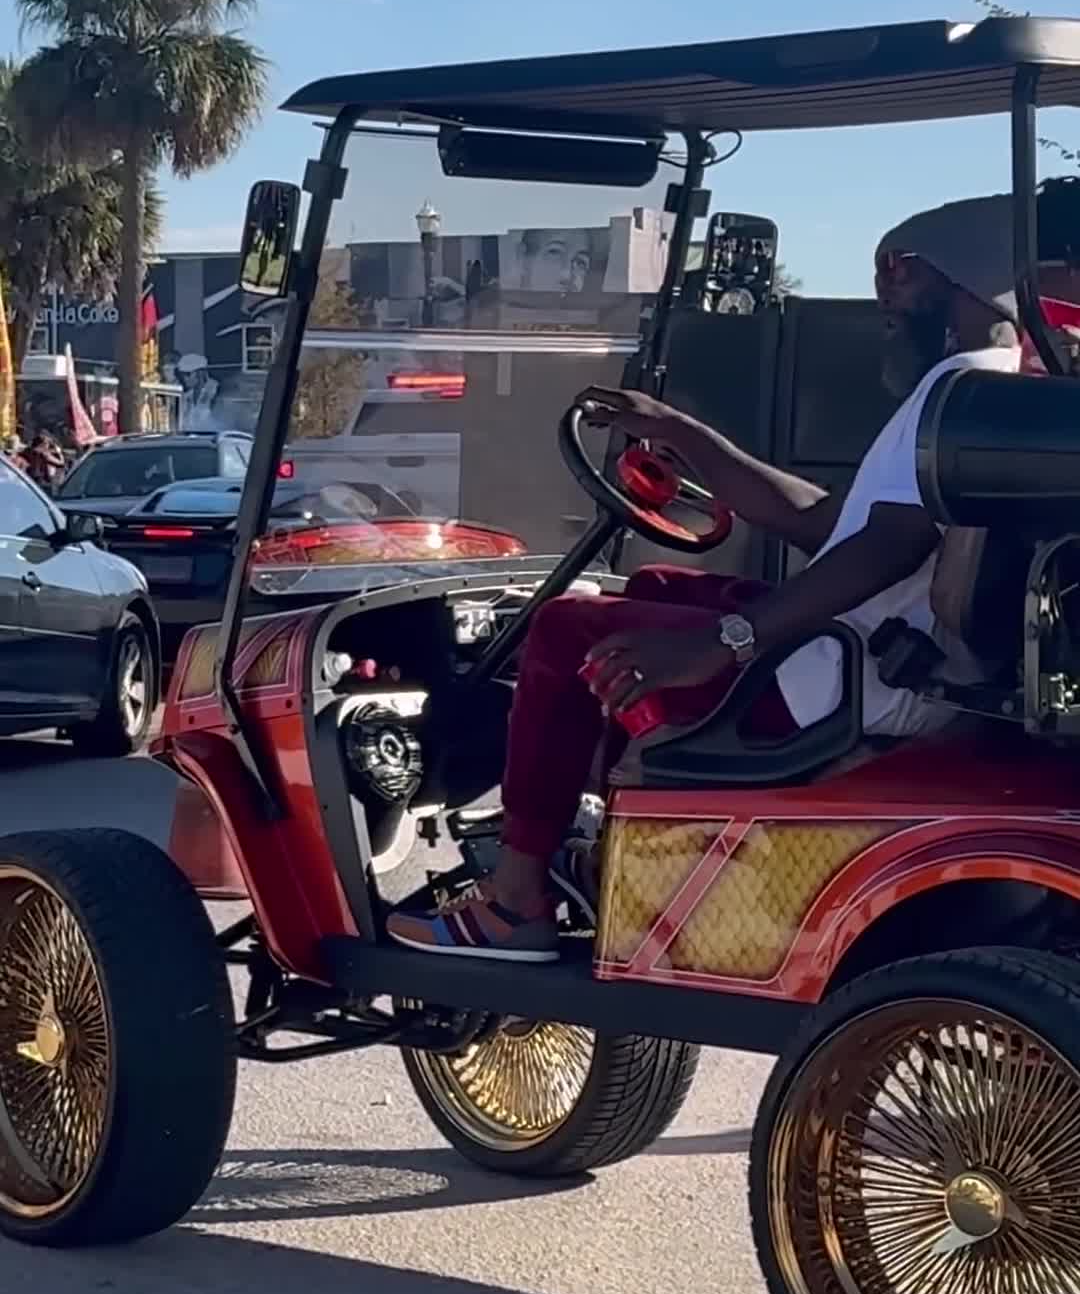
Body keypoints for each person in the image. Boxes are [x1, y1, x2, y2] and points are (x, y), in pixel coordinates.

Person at [388, 195, 1030, 962]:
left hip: (848, 684)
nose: (885, 298)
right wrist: (681, 433)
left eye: (897, 273)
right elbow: (829, 524)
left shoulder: (956, 392)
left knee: (564, 628)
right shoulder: (990, 388)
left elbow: (889, 546)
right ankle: (599, 823)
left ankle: (516, 898)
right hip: (879, 657)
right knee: (656, 587)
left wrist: (725, 643)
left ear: (957, 281)